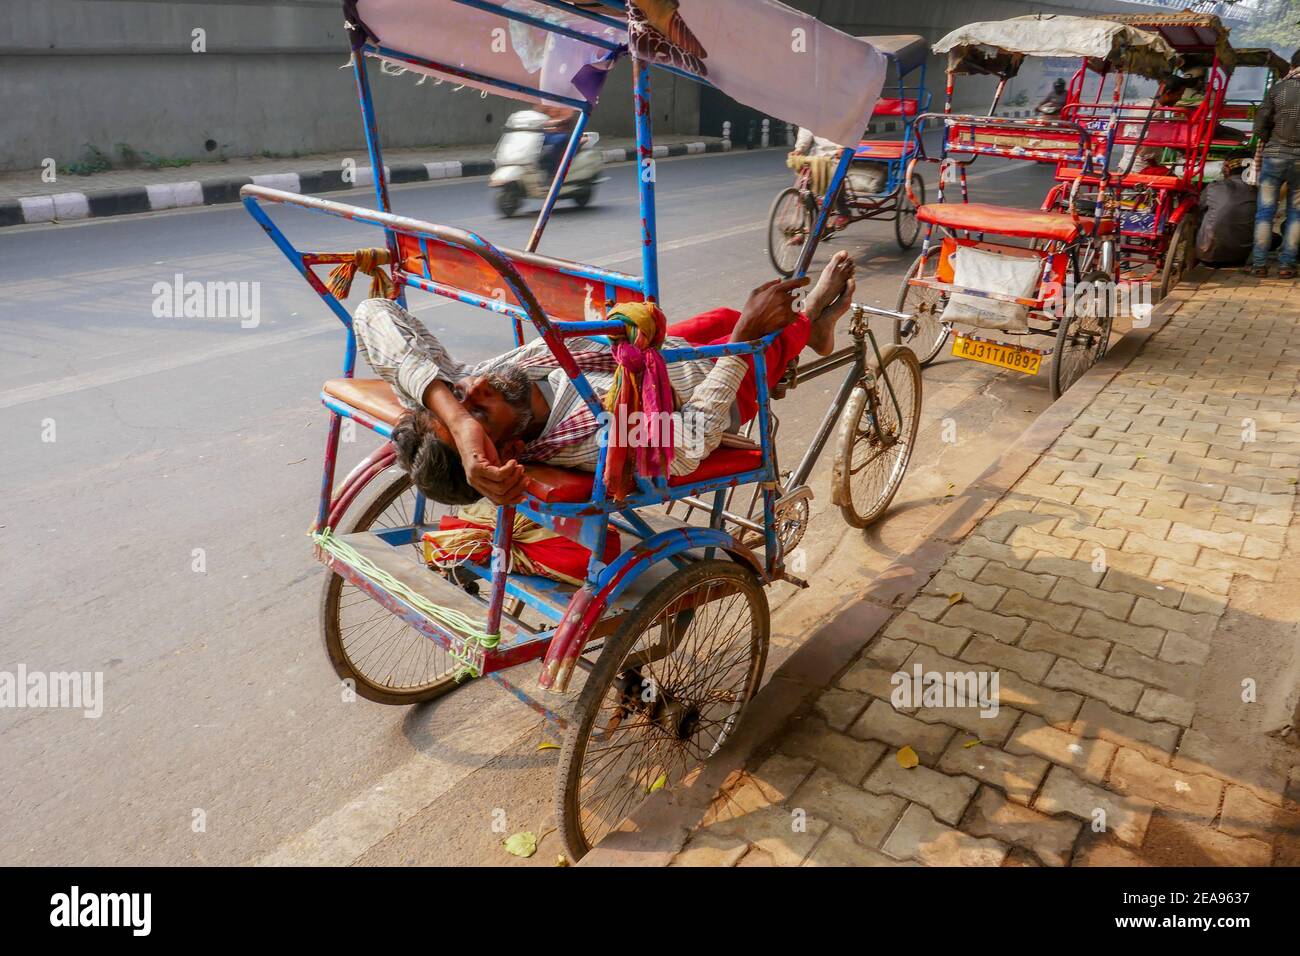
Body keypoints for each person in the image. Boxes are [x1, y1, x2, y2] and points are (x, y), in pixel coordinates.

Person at [353, 252, 858, 505]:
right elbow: (686, 444)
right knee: (766, 331)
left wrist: (461, 419)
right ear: (507, 453)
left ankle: (799, 331)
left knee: (721, 314)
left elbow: (373, 312)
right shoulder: (596, 433)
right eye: (480, 413)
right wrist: (745, 338)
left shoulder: (467, 386)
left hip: (648, 358)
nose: (478, 388)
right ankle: (812, 321)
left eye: (462, 400)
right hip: (707, 387)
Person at [1248, 49, 1300, 278]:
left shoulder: (1278, 89)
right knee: (1297, 213)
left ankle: (1259, 264)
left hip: (1274, 156)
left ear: (1293, 65)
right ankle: (1287, 265)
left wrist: (1273, 141)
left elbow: (1259, 126)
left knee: (1265, 212)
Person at [1196, 158, 1257, 267]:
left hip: (1207, 256)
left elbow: (1198, 208)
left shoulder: (1213, 186)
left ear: (1227, 169)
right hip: (1239, 258)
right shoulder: (1255, 191)